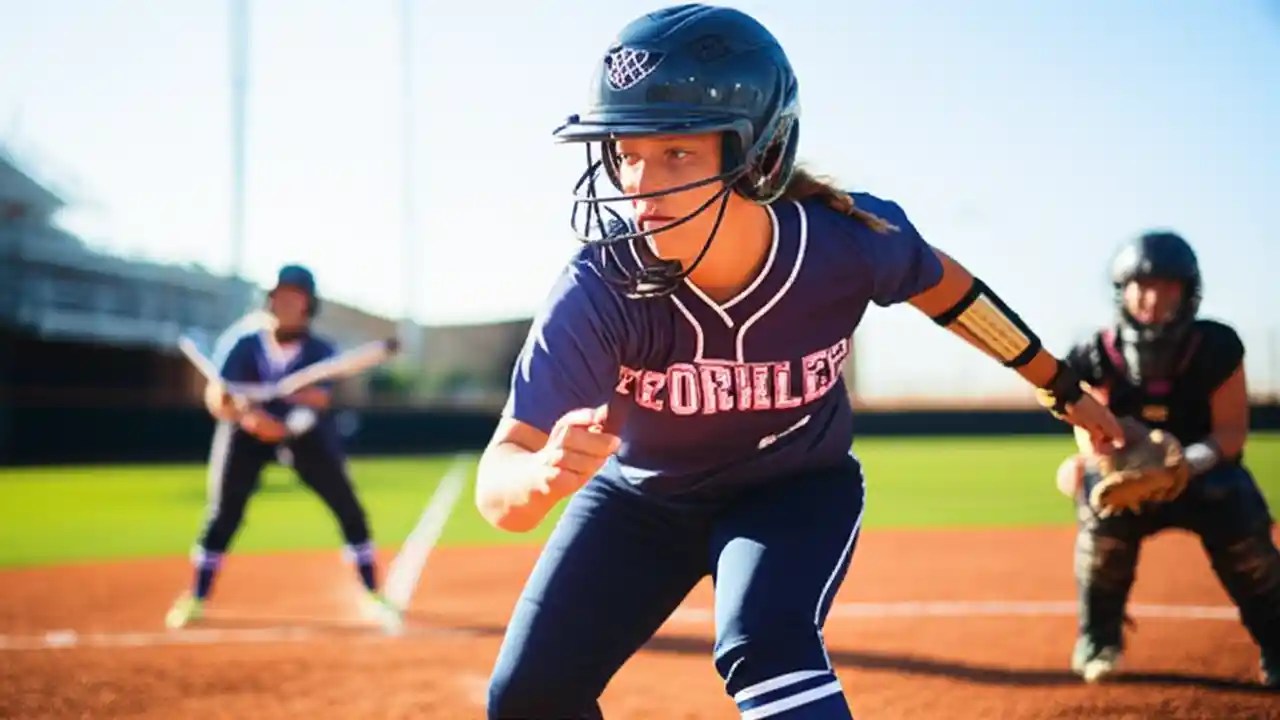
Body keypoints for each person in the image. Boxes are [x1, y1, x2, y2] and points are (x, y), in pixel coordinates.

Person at [476, 5, 1123, 718]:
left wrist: (1062, 388)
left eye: (677, 154)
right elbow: (500, 479)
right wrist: (537, 478)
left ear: (760, 157)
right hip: (642, 501)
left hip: (791, 489)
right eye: (626, 154)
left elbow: (954, 295)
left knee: (766, 640)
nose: (640, 185)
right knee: (527, 698)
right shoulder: (600, 285)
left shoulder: (842, 244)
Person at [1054, 231, 1279, 687]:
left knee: (1243, 528)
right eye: (1140, 284)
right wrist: (1104, 460)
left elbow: (1231, 432)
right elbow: (1086, 427)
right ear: (1122, 291)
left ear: (1188, 291)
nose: (1152, 298)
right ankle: (1098, 638)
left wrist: (1182, 465)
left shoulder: (1217, 347)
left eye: (1166, 286)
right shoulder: (1095, 353)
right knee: (1099, 517)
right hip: (1130, 479)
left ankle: (1277, 643)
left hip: (1204, 474)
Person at [163, 264, 402, 635]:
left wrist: (284, 425)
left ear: (309, 305)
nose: (286, 303)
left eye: (295, 296)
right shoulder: (242, 343)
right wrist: (240, 413)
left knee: (347, 506)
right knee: (223, 514)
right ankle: (196, 596)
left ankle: (373, 592)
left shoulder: (321, 350)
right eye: (280, 295)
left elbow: (316, 403)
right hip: (244, 431)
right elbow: (216, 398)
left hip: (301, 434)